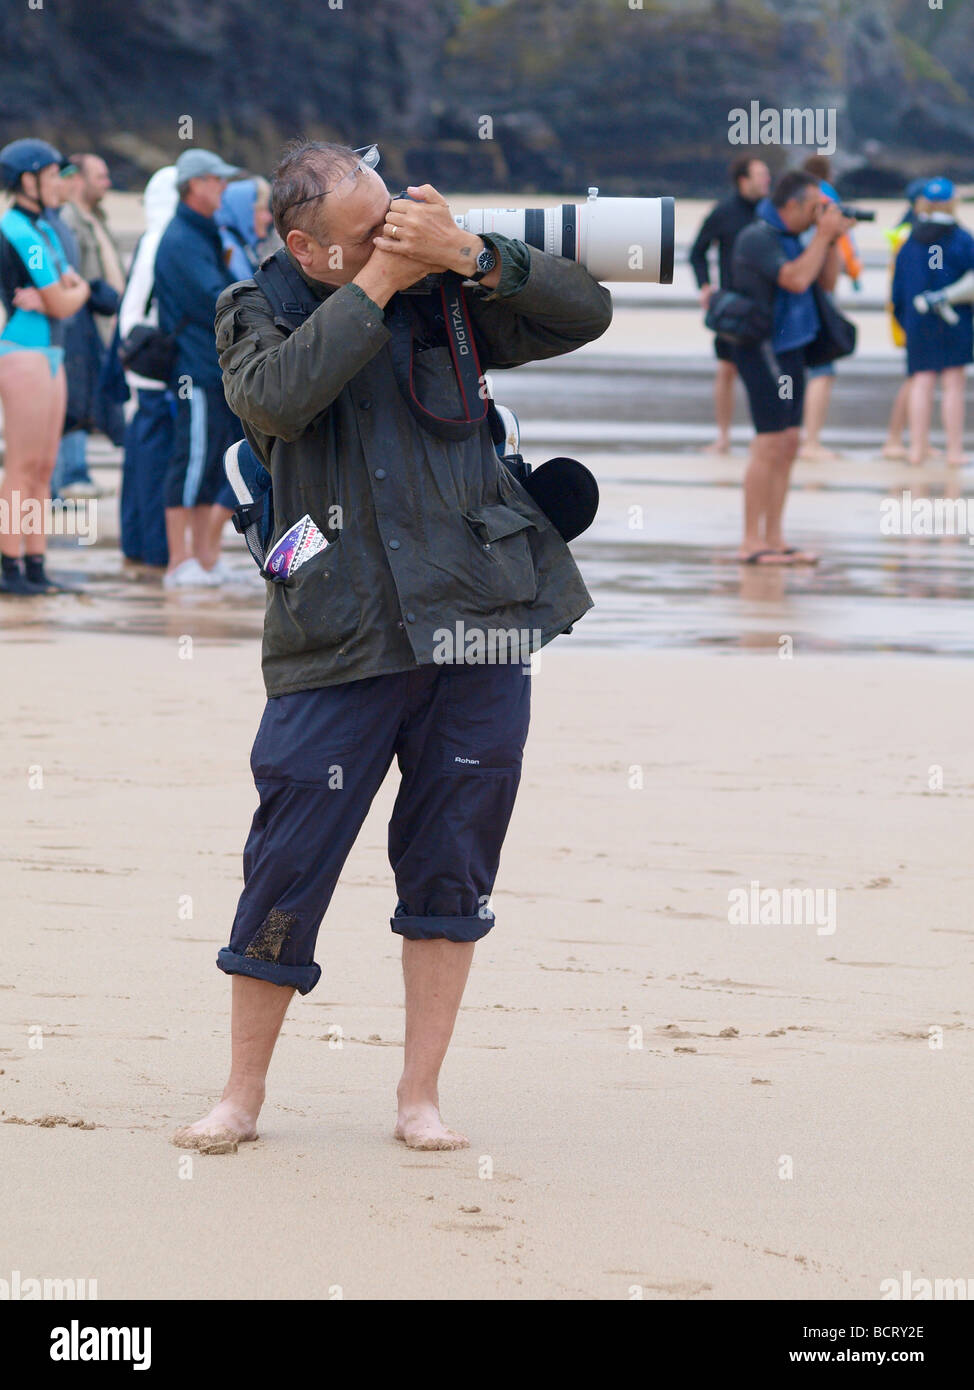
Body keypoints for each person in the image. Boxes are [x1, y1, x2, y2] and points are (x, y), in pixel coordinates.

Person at [172, 139, 611, 1154]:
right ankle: (240, 1096)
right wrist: (381, 278)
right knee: (287, 860)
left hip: (480, 617)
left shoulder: (449, 289)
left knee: (453, 860)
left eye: (395, 215)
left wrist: (472, 252)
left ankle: (420, 1098)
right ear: (305, 247)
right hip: (340, 632)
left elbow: (582, 310)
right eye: (368, 231)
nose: (395, 235)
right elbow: (276, 398)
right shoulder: (255, 307)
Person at [729, 169, 854, 564]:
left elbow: (828, 284)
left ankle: (776, 537)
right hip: (763, 348)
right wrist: (821, 235)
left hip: (793, 349)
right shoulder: (758, 237)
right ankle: (751, 542)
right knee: (768, 442)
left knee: (788, 443)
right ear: (792, 205)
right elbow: (796, 280)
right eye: (816, 207)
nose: (820, 214)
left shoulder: (798, 236)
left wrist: (831, 238)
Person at [0, 139, 91, 596]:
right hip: (23, 352)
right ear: (28, 180)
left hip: (50, 354)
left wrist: (68, 294)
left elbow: (75, 290)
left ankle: (35, 563)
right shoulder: (17, 228)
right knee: (21, 465)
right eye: (52, 174)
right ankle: (9, 564)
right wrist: (68, 294)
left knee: (43, 466)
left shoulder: (48, 231)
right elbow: (64, 297)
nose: (59, 183)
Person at [153, 147, 242, 588]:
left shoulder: (201, 231)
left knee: (211, 460)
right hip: (194, 369)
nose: (224, 186)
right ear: (195, 185)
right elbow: (215, 297)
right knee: (190, 459)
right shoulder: (182, 238)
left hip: (212, 367)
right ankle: (178, 561)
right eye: (217, 179)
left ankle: (205, 560)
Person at [54, 152, 126, 499]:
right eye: (100, 176)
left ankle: (72, 475)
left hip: (101, 327)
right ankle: (70, 476)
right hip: (80, 327)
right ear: (78, 179)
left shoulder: (95, 217)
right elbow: (69, 278)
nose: (107, 183)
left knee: (83, 397)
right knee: (72, 398)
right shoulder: (69, 220)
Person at [117, 165, 179, 569]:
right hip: (157, 369)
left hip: (139, 363)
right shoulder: (167, 240)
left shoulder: (149, 237)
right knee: (160, 462)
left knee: (140, 458)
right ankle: (156, 549)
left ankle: (136, 541)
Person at [689, 156, 771, 454]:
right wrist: (705, 286)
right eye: (760, 175)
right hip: (732, 306)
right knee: (727, 368)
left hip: (768, 302)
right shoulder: (723, 212)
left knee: (768, 368)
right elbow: (697, 252)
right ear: (743, 180)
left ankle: (765, 433)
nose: (766, 181)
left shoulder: (771, 212)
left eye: (767, 175)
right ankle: (723, 437)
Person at [892, 177, 974, 468]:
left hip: (918, 321)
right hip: (956, 321)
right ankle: (953, 451)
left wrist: (905, 320)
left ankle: (917, 448)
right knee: (953, 385)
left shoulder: (910, 241)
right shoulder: (963, 239)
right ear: (953, 202)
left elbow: (898, 290)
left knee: (921, 383)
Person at [797, 156, 863, 462]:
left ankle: (793, 437)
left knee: (793, 369)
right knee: (822, 370)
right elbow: (836, 265)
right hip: (817, 298)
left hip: (791, 298)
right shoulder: (827, 203)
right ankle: (811, 442)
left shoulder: (793, 204)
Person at [881, 179, 927, 461]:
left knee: (918, 376)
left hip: (906, 310)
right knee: (915, 376)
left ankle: (913, 438)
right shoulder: (911, 232)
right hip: (909, 312)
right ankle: (895, 437)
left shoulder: (909, 228)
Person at [217, 176, 272, 281]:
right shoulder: (231, 251)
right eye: (263, 209)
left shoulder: (240, 245)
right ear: (245, 212)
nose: (269, 218)